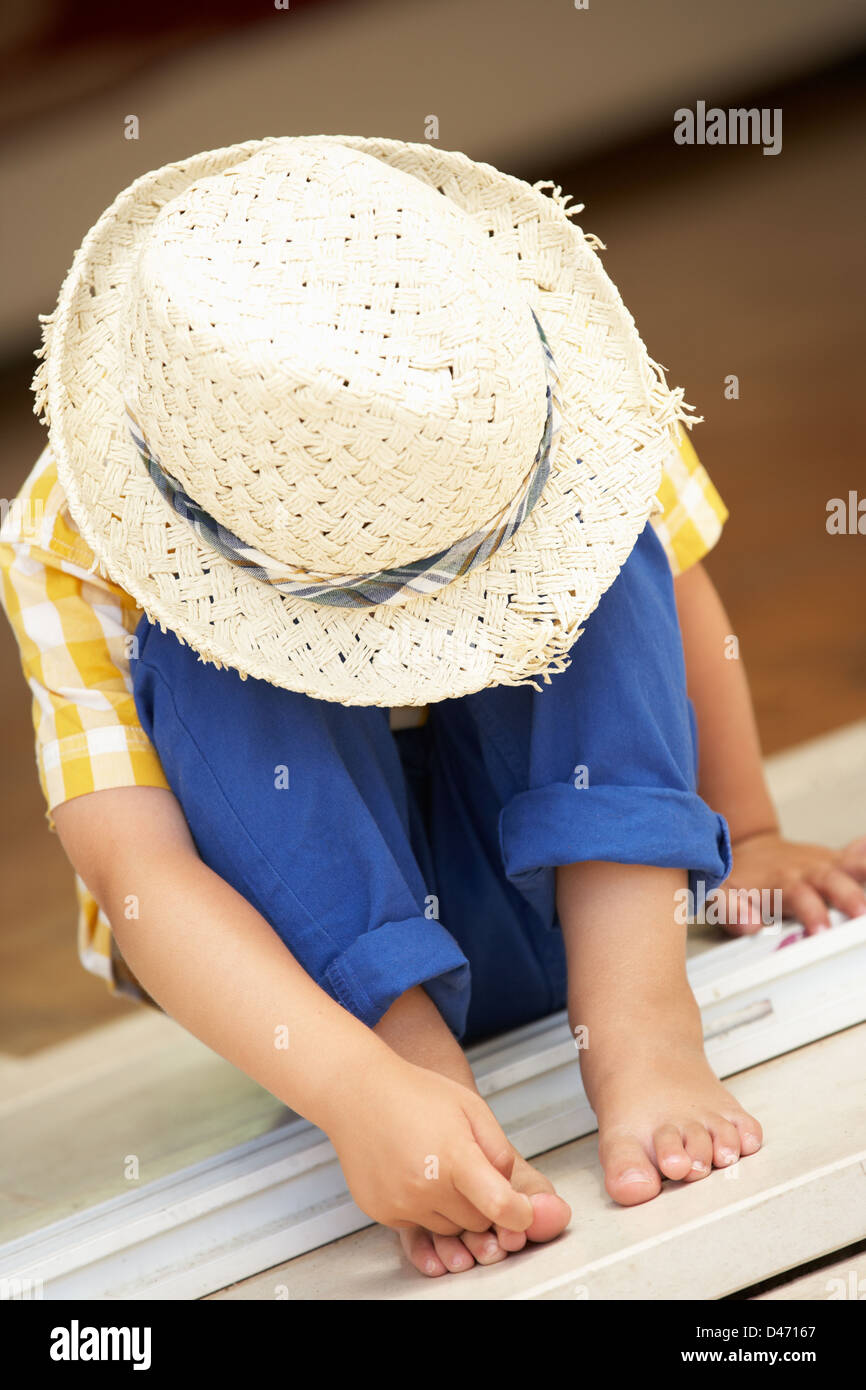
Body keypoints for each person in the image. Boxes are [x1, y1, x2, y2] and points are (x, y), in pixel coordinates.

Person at [2, 136, 863, 1280]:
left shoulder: (539, 385)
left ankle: (638, 1019)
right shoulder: (77, 535)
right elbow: (138, 877)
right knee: (193, 652)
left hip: (567, 893)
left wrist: (746, 833)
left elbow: (678, 593)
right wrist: (353, 1087)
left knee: (606, 553)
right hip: (310, 981)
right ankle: (417, 1073)